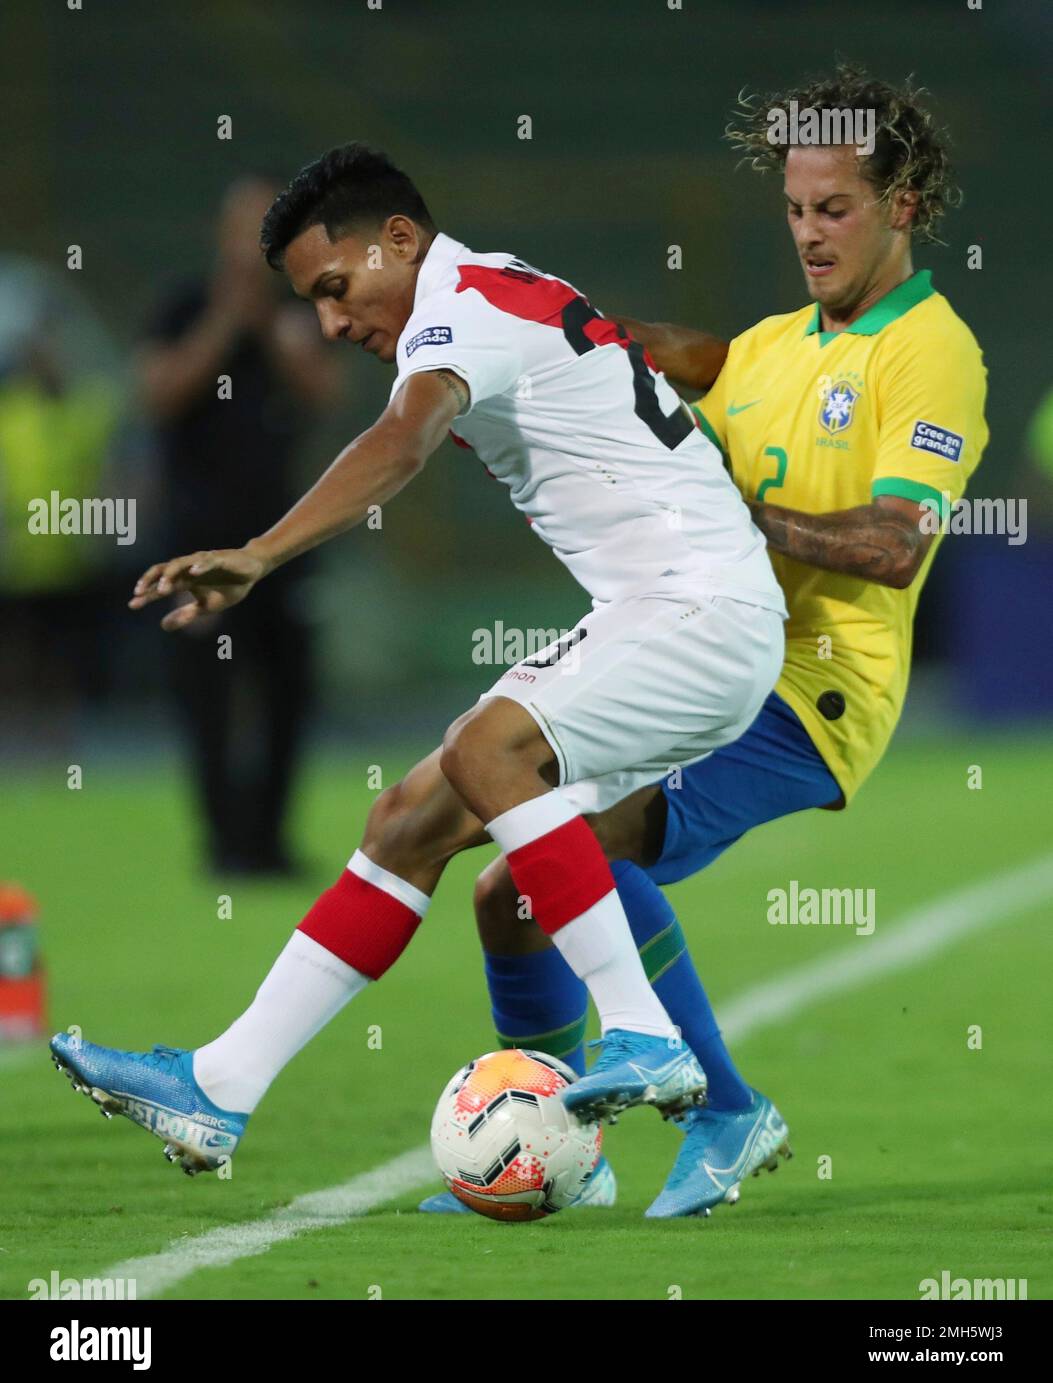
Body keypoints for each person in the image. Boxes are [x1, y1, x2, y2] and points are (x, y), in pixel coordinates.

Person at [49, 142, 788, 1186]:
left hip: (695, 611)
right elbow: (670, 351)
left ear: (400, 242)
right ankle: (220, 1082)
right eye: (312, 303)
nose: (333, 323)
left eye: (337, 288)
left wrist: (259, 554)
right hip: (678, 615)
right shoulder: (508, 287)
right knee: (408, 821)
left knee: (488, 749)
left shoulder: (457, 309)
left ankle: (643, 1034)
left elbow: (400, 442)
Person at [419, 63, 989, 1218]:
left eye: (835, 208)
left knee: (588, 850)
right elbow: (680, 358)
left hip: (812, 694)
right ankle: (559, 1143)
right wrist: (540, 341)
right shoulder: (778, 344)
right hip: (708, 660)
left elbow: (892, 544)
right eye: (795, 208)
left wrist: (743, 515)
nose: (810, 234)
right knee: (511, 893)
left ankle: (727, 1111)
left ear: (903, 207)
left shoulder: (931, 351)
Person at [137, 177, 343, 875]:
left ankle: (270, 841)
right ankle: (224, 845)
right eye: (242, 225)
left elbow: (326, 394)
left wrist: (271, 329)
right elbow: (158, 394)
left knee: (289, 693)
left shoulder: (304, 307)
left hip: (286, 541)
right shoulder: (184, 305)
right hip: (195, 543)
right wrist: (227, 320)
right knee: (208, 700)